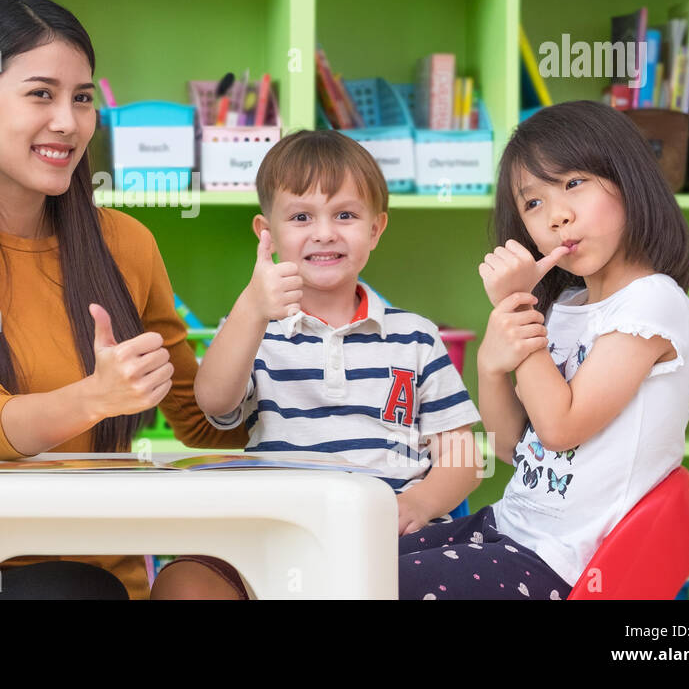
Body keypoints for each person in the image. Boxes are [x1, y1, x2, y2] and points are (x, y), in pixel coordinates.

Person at [0, 0, 247, 600]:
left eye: (82, 97)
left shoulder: (127, 242)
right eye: (41, 93)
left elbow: (200, 424)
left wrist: (261, 324)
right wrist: (97, 396)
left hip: (111, 581)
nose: (68, 122)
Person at [150, 129, 482, 599]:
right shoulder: (251, 328)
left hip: (391, 543)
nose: (324, 232)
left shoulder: (417, 336)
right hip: (273, 537)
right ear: (267, 233)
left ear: (375, 228)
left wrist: (420, 503)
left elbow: (463, 455)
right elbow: (214, 403)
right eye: (302, 216)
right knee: (183, 583)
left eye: (345, 215)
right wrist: (250, 305)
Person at [398, 100, 689, 599]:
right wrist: (492, 368)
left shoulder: (653, 299)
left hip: (565, 564)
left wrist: (519, 316)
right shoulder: (565, 306)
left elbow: (559, 429)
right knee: (355, 560)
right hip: (510, 529)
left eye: (573, 183)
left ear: (628, 178)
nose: (557, 216)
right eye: (533, 203)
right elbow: (509, 447)